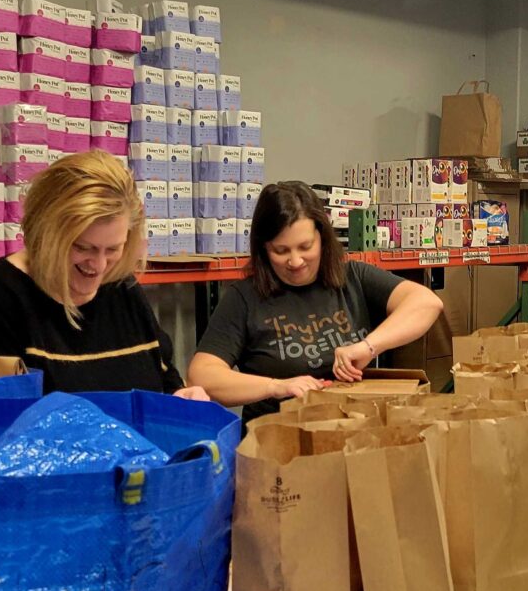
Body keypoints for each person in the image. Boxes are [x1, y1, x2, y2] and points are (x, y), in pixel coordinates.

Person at [0, 150, 207, 400]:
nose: (100, 265)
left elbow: (163, 378)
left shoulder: (121, 288)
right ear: (45, 234)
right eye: (82, 247)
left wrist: (179, 398)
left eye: (113, 248)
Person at [185, 181, 444, 422]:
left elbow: (426, 303)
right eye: (281, 251)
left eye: (305, 246)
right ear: (263, 249)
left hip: (352, 433)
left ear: (322, 237)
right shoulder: (244, 298)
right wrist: (276, 386)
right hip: (277, 441)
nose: (295, 262)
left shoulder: (353, 277)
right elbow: (202, 375)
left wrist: (368, 347)